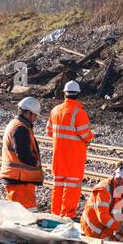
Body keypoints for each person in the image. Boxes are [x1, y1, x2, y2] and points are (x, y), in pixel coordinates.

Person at [46, 80, 94, 218]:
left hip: (58, 157)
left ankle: (55, 213)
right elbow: (85, 135)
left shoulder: (55, 110)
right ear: (78, 94)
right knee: (72, 187)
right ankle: (67, 214)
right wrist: (92, 135)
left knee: (58, 185)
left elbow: (49, 132)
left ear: (64, 94)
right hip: (74, 157)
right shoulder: (79, 113)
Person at [0, 96, 43, 209]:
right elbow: (23, 154)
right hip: (20, 179)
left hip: (18, 178)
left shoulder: (16, 124)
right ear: (28, 113)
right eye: (34, 115)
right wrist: (35, 163)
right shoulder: (20, 128)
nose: (35, 118)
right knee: (26, 214)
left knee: (16, 213)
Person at [80, 163, 123, 242]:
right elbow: (103, 217)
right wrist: (121, 228)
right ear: (118, 178)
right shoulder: (103, 190)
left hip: (108, 227)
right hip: (94, 228)